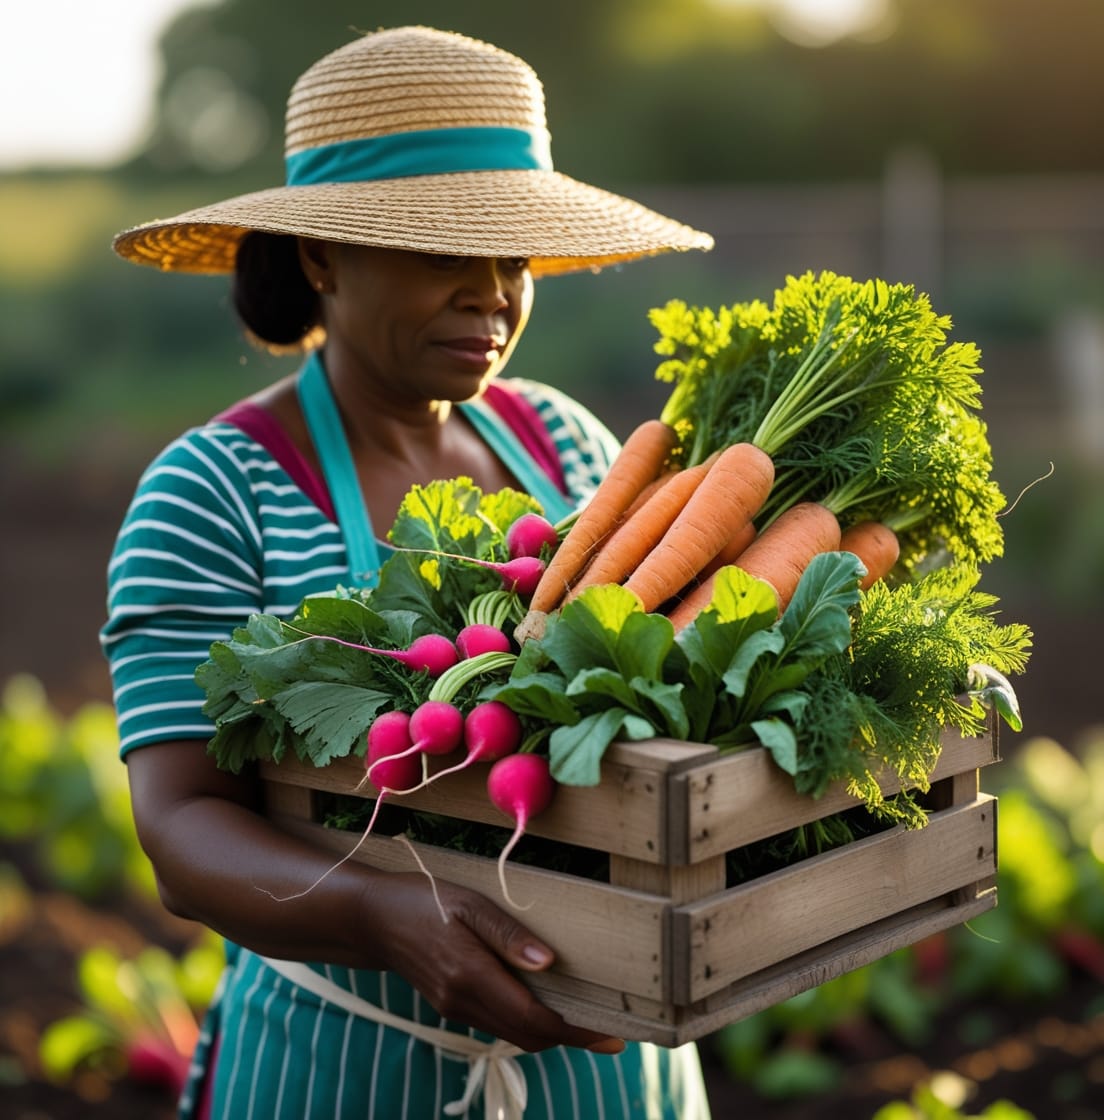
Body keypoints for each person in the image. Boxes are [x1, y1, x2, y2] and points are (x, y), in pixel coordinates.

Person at [102, 25, 714, 1120]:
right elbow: (182, 828)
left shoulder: (570, 447)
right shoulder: (212, 491)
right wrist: (381, 918)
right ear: (322, 257)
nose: (492, 295)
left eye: (513, 257)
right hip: (339, 1063)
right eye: (444, 253)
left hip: (615, 1068)